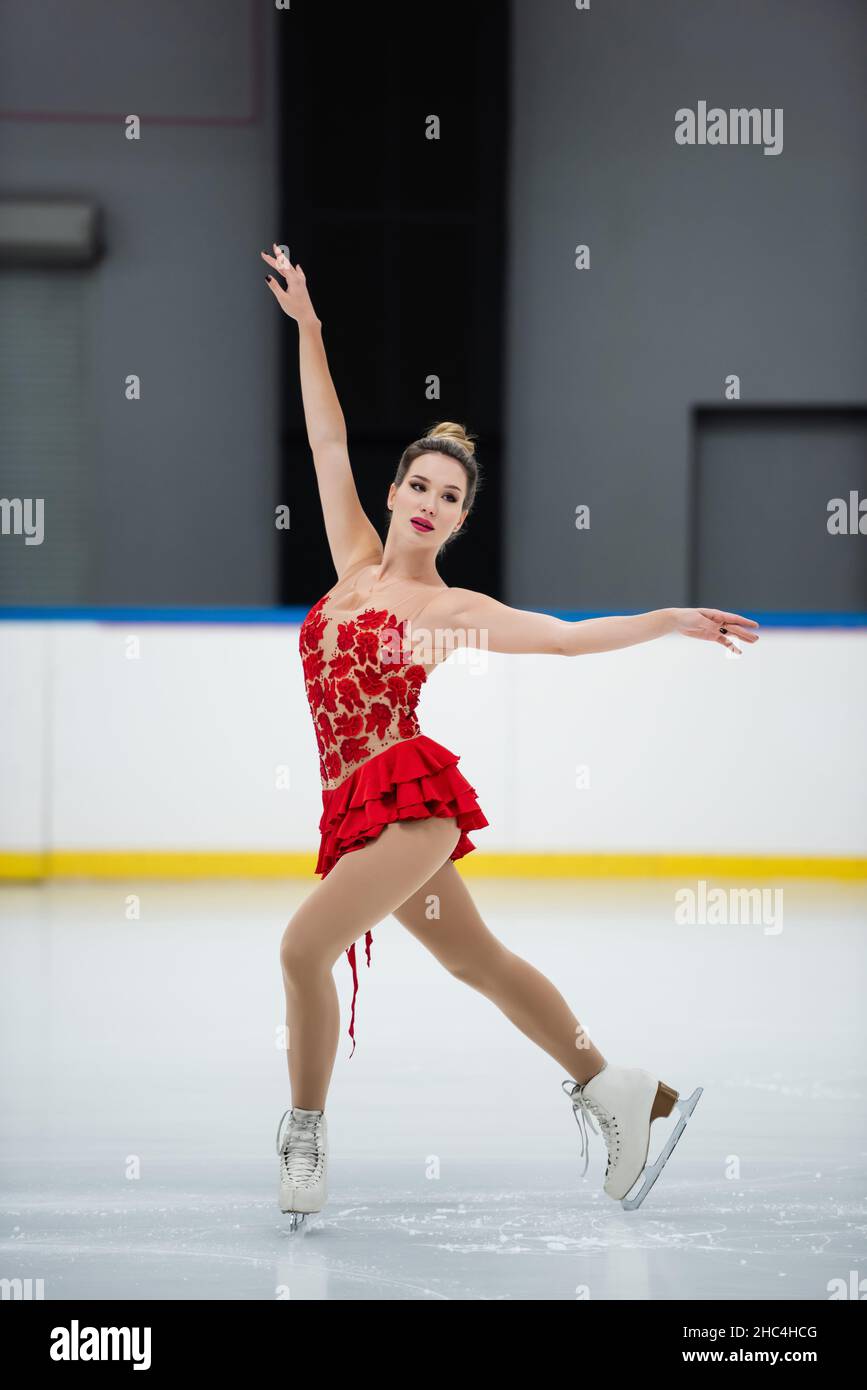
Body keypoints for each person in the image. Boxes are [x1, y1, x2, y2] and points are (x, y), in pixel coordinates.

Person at [262, 245, 760, 1225]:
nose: (433, 502)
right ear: (398, 487)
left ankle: (306, 1134)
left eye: (452, 497)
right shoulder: (354, 558)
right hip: (352, 809)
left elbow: (568, 643)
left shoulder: (450, 609)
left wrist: (666, 619)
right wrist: (311, 328)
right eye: (423, 484)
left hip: (408, 807)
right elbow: (327, 445)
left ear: (456, 519)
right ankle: (615, 1088)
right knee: (476, 961)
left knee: (299, 951)